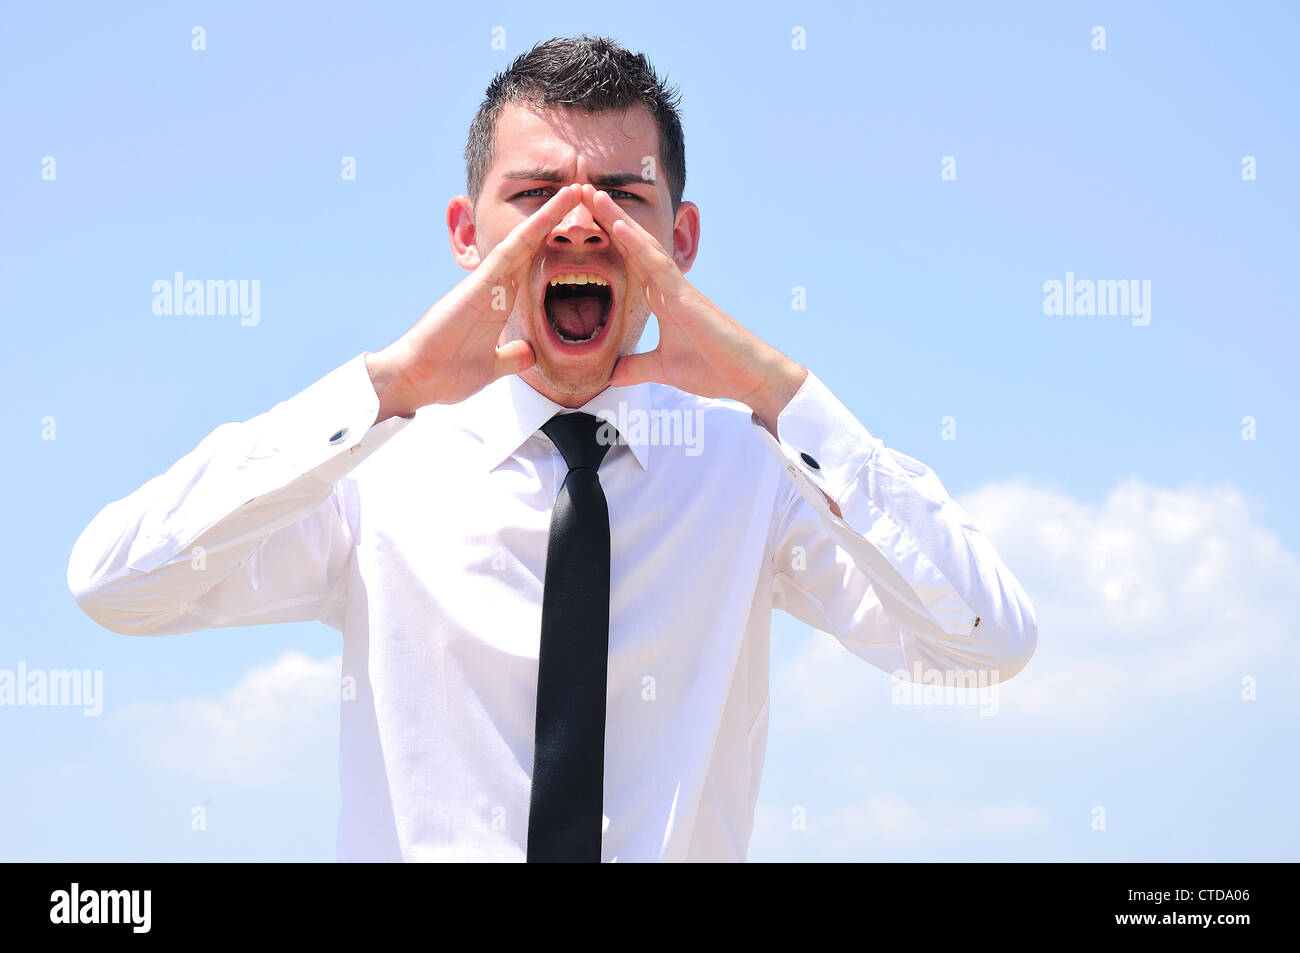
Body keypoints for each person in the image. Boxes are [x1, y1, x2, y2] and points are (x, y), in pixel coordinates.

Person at [67, 35, 1037, 862]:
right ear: (466, 232)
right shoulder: (376, 467)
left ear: (681, 239)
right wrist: (385, 388)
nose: (577, 226)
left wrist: (781, 398)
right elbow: (115, 583)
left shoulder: (753, 471)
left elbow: (985, 644)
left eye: (622, 196)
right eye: (535, 195)